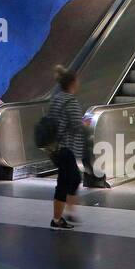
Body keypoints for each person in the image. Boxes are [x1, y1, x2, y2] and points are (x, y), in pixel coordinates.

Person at [45, 65, 86, 230]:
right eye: (77, 82)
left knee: (74, 178)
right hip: (66, 147)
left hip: (55, 147)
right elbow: (76, 125)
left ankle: (68, 212)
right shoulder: (71, 101)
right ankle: (57, 219)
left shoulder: (56, 99)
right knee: (64, 182)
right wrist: (85, 123)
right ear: (72, 83)